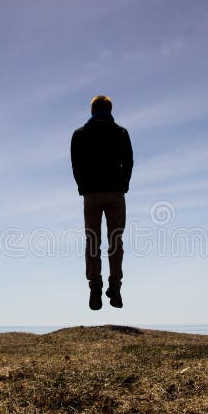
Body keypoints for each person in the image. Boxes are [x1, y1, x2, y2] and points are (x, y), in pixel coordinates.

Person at [70, 95, 134, 310]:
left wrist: (83, 187)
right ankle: (115, 286)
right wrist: (123, 184)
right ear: (110, 109)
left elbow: (76, 164)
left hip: (92, 194)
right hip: (115, 193)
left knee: (92, 241)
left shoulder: (80, 134)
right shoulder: (121, 132)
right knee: (116, 241)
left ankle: (95, 287)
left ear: (92, 111)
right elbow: (129, 161)